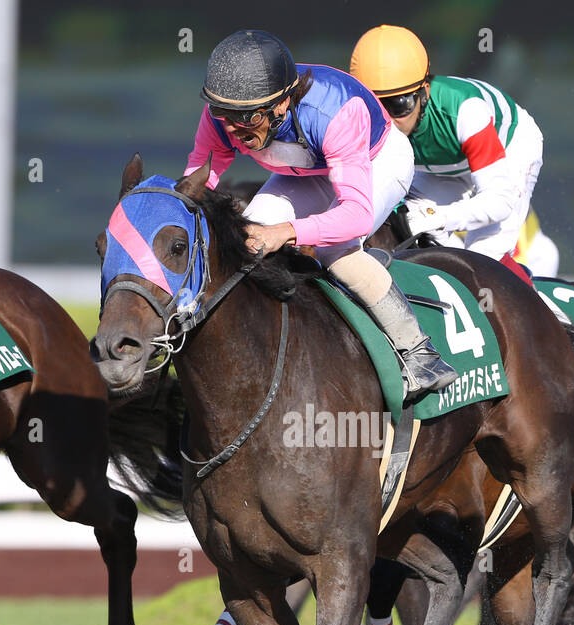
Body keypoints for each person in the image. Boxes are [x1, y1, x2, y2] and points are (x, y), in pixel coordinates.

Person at [186, 28, 457, 402]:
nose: (231, 127)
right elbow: (198, 181)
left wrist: (287, 231)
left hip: (378, 161)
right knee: (249, 237)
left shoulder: (335, 112)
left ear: (280, 105)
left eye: (245, 117)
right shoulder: (225, 111)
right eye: (222, 113)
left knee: (336, 250)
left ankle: (419, 353)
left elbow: (356, 215)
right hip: (308, 169)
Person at [349, 24, 560, 276]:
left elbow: (499, 202)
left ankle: (535, 309)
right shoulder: (358, 120)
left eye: (398, 104)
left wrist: (438, 216)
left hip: (508, 147)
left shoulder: (466, 111)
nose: (388, 121)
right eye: (375, 107)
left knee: (483, 257)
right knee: (406, 227)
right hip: (443, 164)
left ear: (424, 92)